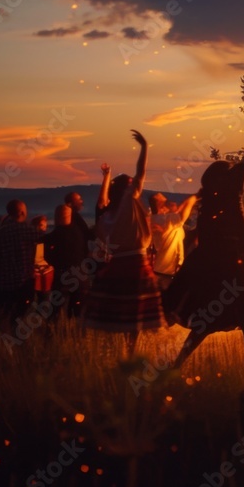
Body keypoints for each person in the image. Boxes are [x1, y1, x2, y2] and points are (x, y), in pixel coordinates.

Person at [164, 110, 244, 382]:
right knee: (237, 320)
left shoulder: (212, 203)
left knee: (215, 322)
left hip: (221, 269)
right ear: (222, 178)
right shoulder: (229, 193)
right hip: (229, 270)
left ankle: (179, 364)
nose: (234, 170)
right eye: (229, 169)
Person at [83, 130, 167, 356]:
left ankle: (119, 351)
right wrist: (145, 147)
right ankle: (130, 351)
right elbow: (141, 174)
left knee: (120, 311)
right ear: (128, 189)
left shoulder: (106, 215)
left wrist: (105, 178)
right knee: (137, 312)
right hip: (138, 263)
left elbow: (101, 201)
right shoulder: (130, 203)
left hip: (117, 265)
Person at [0, 200, 45, 324]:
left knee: (9, 307)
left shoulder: (0, 233)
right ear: (22, 212)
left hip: (6, 279)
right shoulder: (30, 231)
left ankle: (2, 329)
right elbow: (45, 243)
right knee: (22, 308)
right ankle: (16, 333)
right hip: (25, 278)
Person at [149, 191, 197, 291]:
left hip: (160, 269)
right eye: (165, 202)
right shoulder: (167, 220)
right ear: (159, 204)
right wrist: (194, 197)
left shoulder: (157, 219)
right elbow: (183, 214)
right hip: (165, 272)